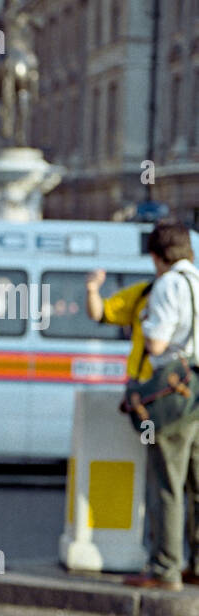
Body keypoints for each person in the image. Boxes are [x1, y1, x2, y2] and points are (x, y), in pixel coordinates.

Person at [113, 221, 199, 590]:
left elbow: (158, 346)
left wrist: (147, 324)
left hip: (175, 388)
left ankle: (165, 568)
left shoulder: (168, 285)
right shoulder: (198, 281)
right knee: (197, 483)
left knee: (167, 482)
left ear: (156, 256)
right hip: (198, 385)